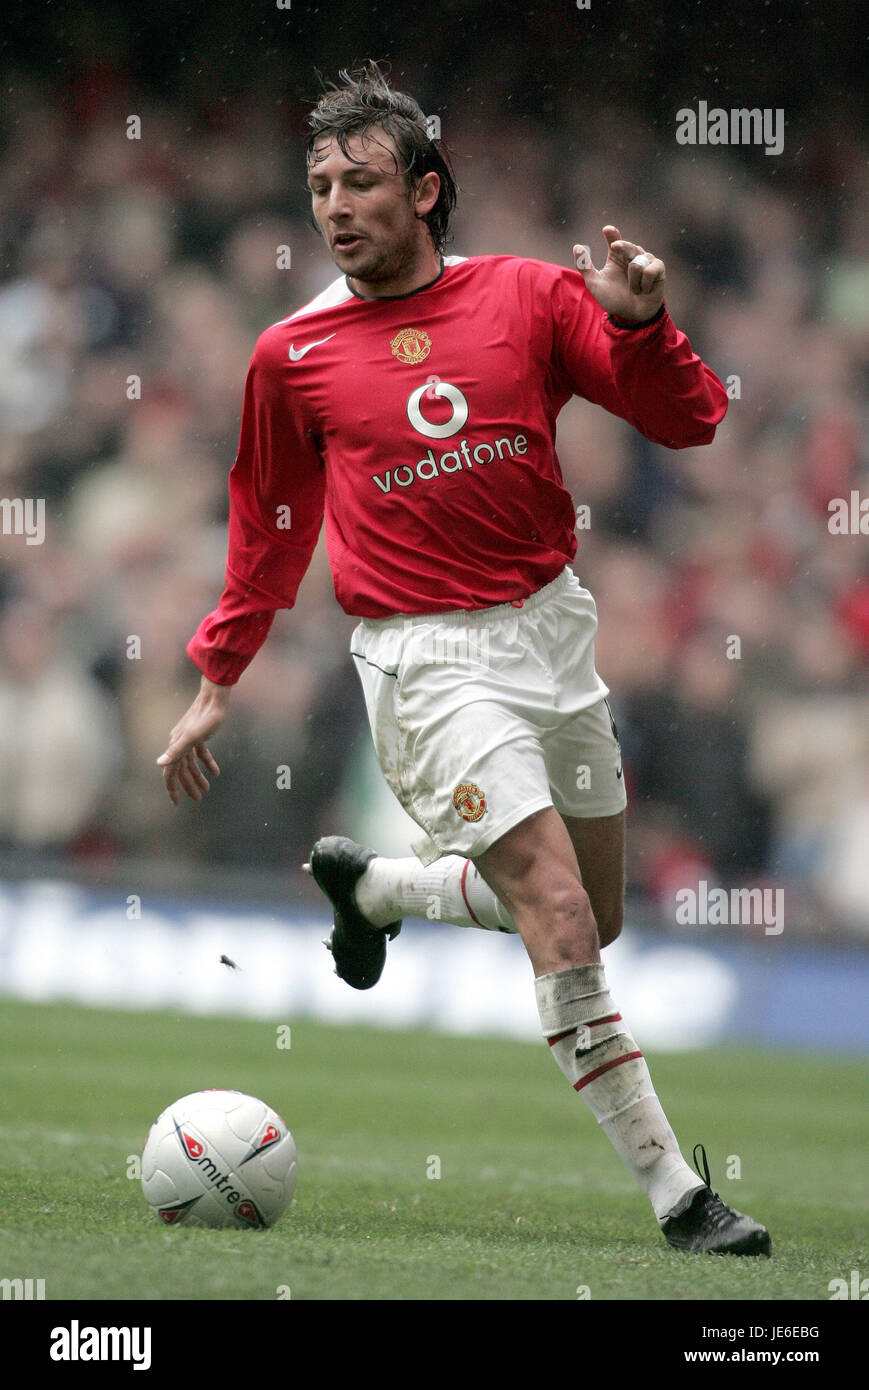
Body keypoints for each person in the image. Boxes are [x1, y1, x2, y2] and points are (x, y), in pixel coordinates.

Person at [158, 62, 770, 1257]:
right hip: (425, 660)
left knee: (592, 915)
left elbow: (687, 418)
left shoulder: (531, 299)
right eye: (318, 184)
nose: (335, 204)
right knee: (555, 906)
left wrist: (643, 324)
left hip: (552, 628)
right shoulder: (290, 356)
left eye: (361, 180)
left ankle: (381, 890)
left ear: (426, 188)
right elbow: (269, 524)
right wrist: (215, 679)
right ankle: (677, 1197)